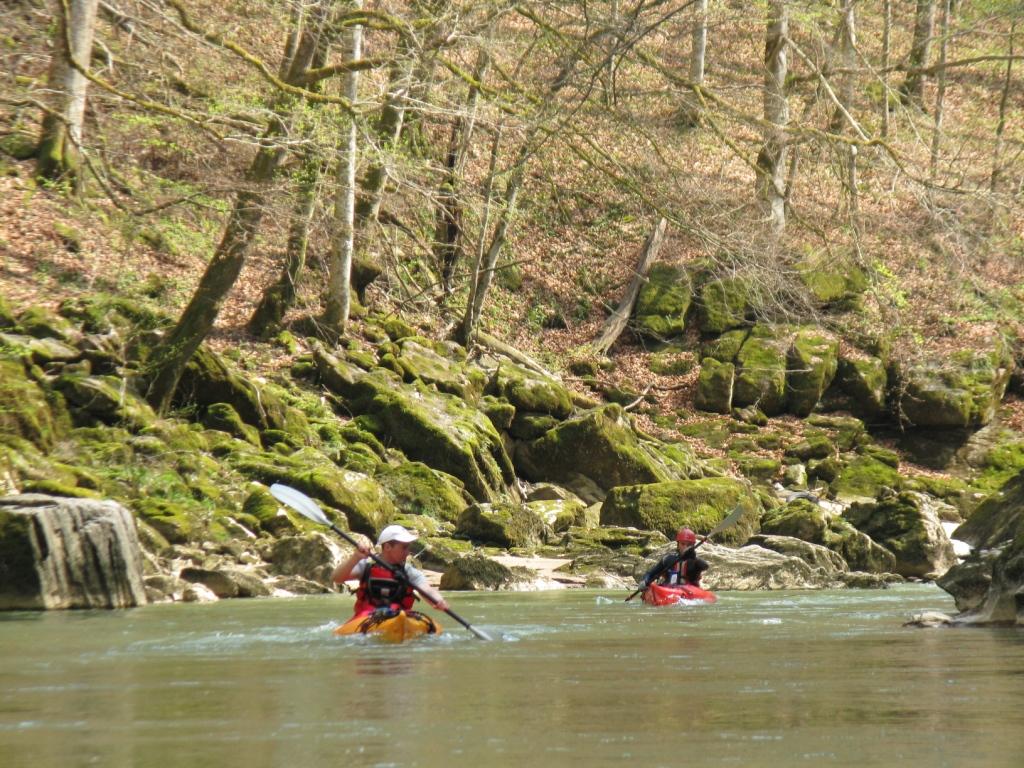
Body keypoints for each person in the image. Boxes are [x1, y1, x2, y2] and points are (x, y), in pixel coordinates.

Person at [332, 524, 449, 618]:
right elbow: (337, 578)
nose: (408, 552)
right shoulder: (366, 567)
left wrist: (438, 600)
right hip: (368, 617)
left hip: (400, 617)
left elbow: (426, 590)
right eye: (404, 547)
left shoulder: (409, 572)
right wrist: (355, 557)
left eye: (408, 547)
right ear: (387, 547)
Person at [638, 527, 709, 590]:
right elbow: (651, 573)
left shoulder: (694, 562)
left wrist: (693, 557)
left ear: (693, 546)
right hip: (669, 590)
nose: (685, 547)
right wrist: (645, 581)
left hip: (690, 591)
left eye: (689, 545)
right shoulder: (668, 559)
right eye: (683, 544)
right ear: (678, 545)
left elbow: (705, 566)